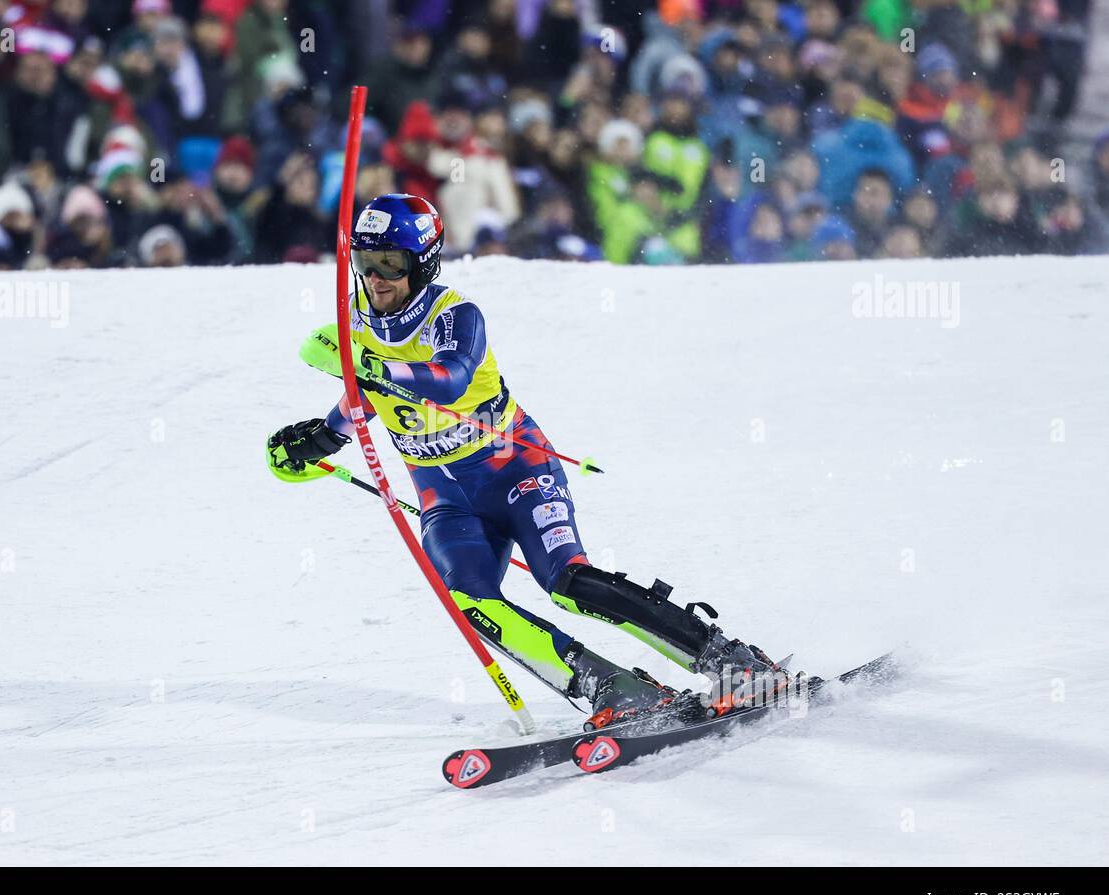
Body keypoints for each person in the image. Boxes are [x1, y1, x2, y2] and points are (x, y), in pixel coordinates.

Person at [266, 193, 789, 729]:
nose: (376, 279)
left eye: (391, 264)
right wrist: (321, 440)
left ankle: (732, 662)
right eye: (366, 262)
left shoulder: (455, 315)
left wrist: (371, 367)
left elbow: (451, 380)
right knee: (471, 603)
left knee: (566, 582)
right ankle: (611, 687)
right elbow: (365, 398)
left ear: (421, 264)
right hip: (445, 499)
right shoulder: (356, 323)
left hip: (514, 469)